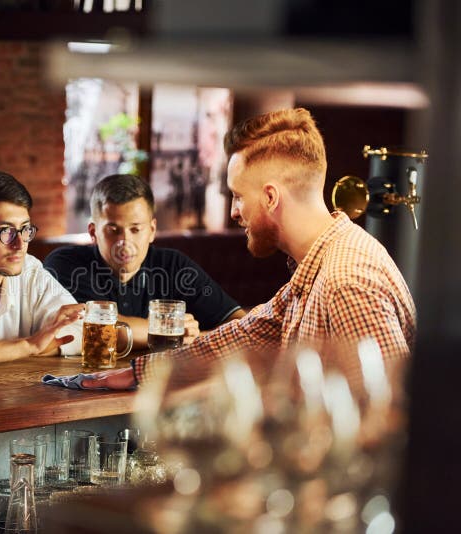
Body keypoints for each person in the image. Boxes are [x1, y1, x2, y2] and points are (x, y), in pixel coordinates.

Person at [82, 108, 417, 390]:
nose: (233, 212)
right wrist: (138, 373)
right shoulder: (318, 265)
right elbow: (248, 335)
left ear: (270, 197)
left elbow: (390, 414)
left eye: (238, 196)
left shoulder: (345, 281)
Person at [44, 173, 245, 349]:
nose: (124, 242)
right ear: (93, 232)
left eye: (135, 229)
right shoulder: (66, 264)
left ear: (152, 230)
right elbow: (102, 332)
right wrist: (171, 329)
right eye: (113, 230)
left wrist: (194, 338)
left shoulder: (173, 265)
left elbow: (241, 326)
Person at [0, 170, 84, 363]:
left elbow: (80, 330)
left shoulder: (29, 269)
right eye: (5, 231)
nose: (20, 245)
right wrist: (29, 345)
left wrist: (24, 347)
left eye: (25, 229)